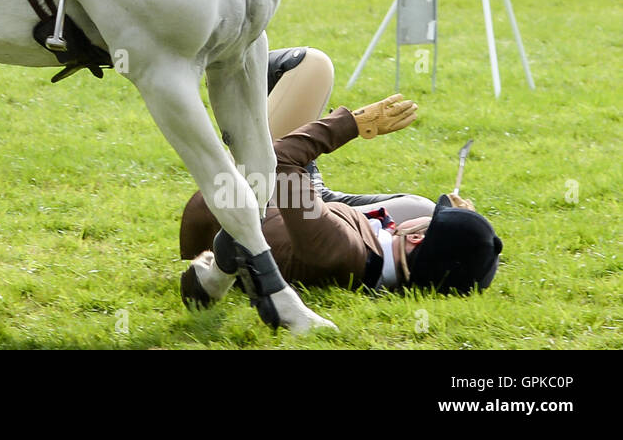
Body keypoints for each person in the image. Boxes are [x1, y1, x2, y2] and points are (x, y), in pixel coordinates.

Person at [180, 48, 503, 308]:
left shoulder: (337, 249)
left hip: (240, 195)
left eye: (428, 229)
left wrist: (354, 124)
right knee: (423, 207)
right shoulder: (379, 259)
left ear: (417, 240)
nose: (427, 221)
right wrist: (458, 226)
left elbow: (279, 162)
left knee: (310, 67)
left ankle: (208, 60)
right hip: (300, 207)